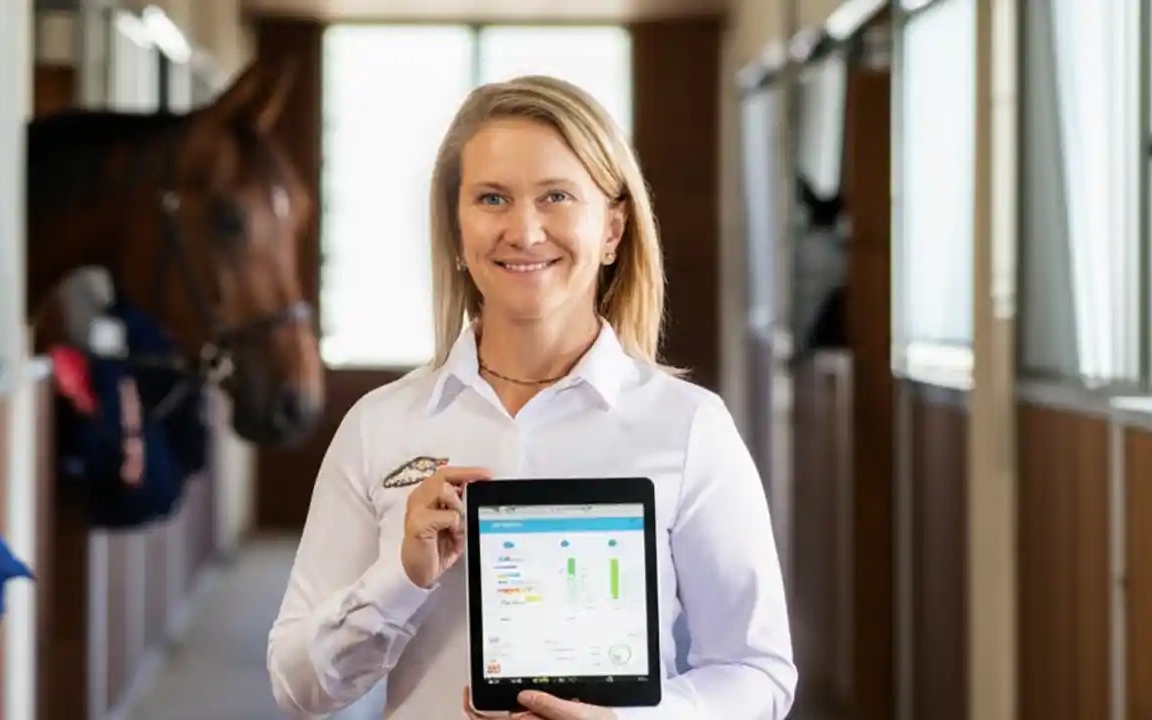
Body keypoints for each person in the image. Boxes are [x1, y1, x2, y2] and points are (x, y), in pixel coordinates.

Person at [267, 75, 796, 719]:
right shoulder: (380, 426)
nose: (523, 230)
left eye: (556, 196)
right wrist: (399, 579)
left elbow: (757, 673)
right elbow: (297, 688)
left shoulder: (689, 427)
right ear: (457, 229)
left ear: (612, 230)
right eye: (492, 198)